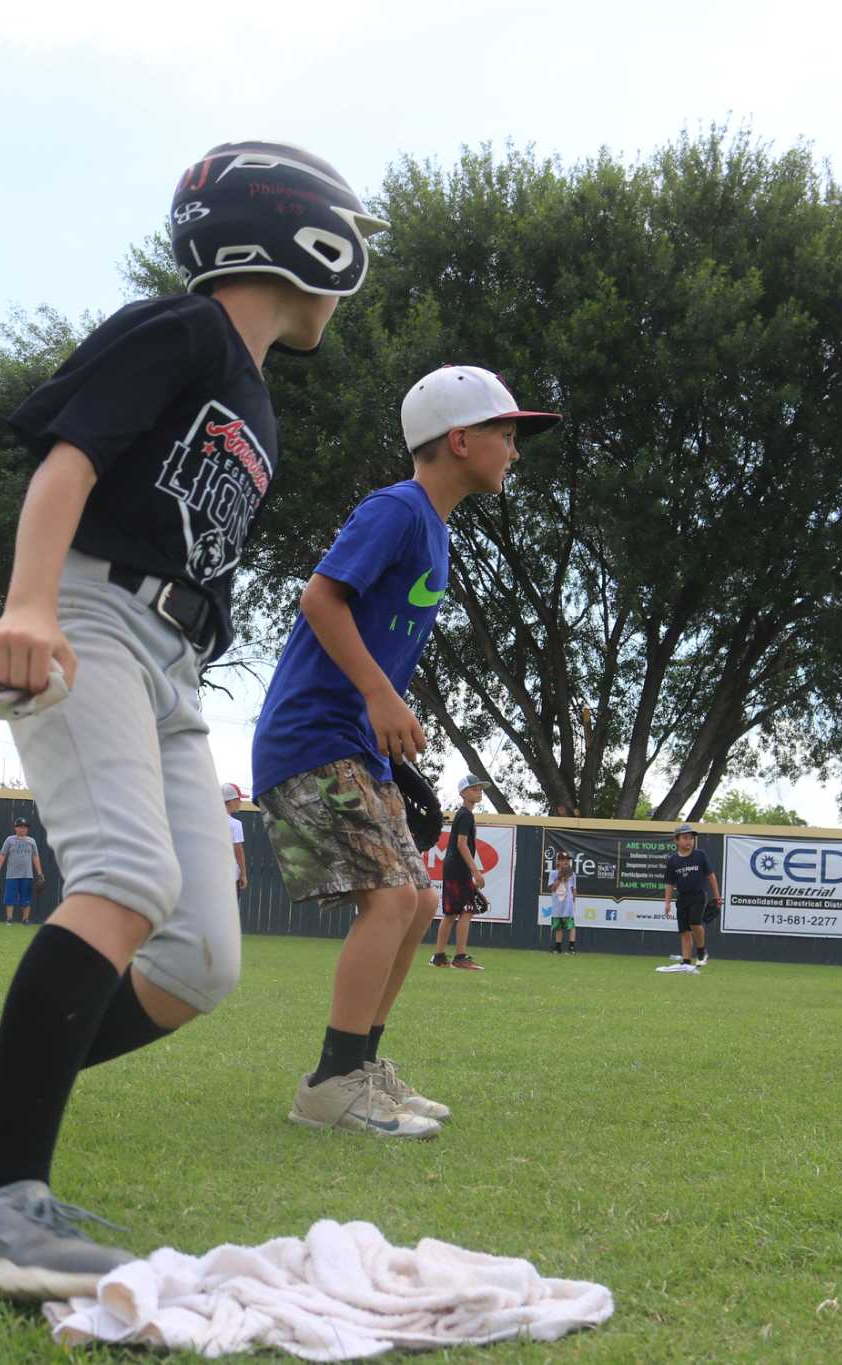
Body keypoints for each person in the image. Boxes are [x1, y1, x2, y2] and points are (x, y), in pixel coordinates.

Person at [0, 142, 388, 1301]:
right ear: (310, 238)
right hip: (93, 618)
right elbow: (71, 460)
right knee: (119, 879)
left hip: (172, 662)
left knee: (200, 961)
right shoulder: (180, 331)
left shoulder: (258, 396)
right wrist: (26, 606)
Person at [253, 364, 561, 1140]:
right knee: (392, 899)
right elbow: (319, 598)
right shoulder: (396, 508)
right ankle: (330, 1084)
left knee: (419, 901)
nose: (513, 450)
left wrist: (388, 714)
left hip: (358, 742)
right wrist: (380, 696)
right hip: (313, 736)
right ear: (460, 439)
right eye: (505, 433)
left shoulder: (436, 529)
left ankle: (361, 1067)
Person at [430, 774, 487, 970]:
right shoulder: (465, 814)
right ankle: (460, 957)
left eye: (480, 789)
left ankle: (439, 956)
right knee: (467, 910)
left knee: (451, 913)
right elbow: (461, 844)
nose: (479, 792)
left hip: (454, 867)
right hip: (459, 868)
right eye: (474, 789)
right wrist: (476, 872)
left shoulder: (464, 814)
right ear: (463, 793)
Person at [657, 823, 720, 973]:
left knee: (695, 923)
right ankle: (686, 962)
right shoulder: (673, 861)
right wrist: (667, 902)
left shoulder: (700, 855)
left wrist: (717, 896)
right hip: (682, 898)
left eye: (691, 838)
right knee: (684, 931)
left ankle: (701, 950)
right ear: (676, 840)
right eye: (685, 838)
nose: (689, 841)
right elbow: (669, 883)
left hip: (698, 895)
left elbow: (710, 876)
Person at [0, 816, 43, 924]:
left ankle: (25, 919)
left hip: (27, 875)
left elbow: (35, 857)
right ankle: (9, 918)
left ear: (27, 829)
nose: (22, 829)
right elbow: (2, 854)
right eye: (20, 827)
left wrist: (40, 873)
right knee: (10, 897)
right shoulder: (10, 840)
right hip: (12, 874)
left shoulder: (31, 841)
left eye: (25, 827)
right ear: (15, 828)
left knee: (26, 898)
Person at [547, 848, 578, 954]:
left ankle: (571, 947)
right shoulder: (553, 873)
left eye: (568, 860)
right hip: (557, 904)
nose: (566, 862)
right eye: (564, 860)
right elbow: (552, 889)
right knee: (558, 926)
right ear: (558, 861)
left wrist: (574, 902)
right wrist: (560, 878)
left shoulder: (572, 874)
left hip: (568, 904)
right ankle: (558, 947)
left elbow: (574, 889)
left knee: (571, 925)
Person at [222, 783, 249, 894]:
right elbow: (238, 850)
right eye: (239, 799)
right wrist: (243, 874)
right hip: (230, 877)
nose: (240, 802)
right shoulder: (234, 824)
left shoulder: (207, 821)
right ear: (231, 800)